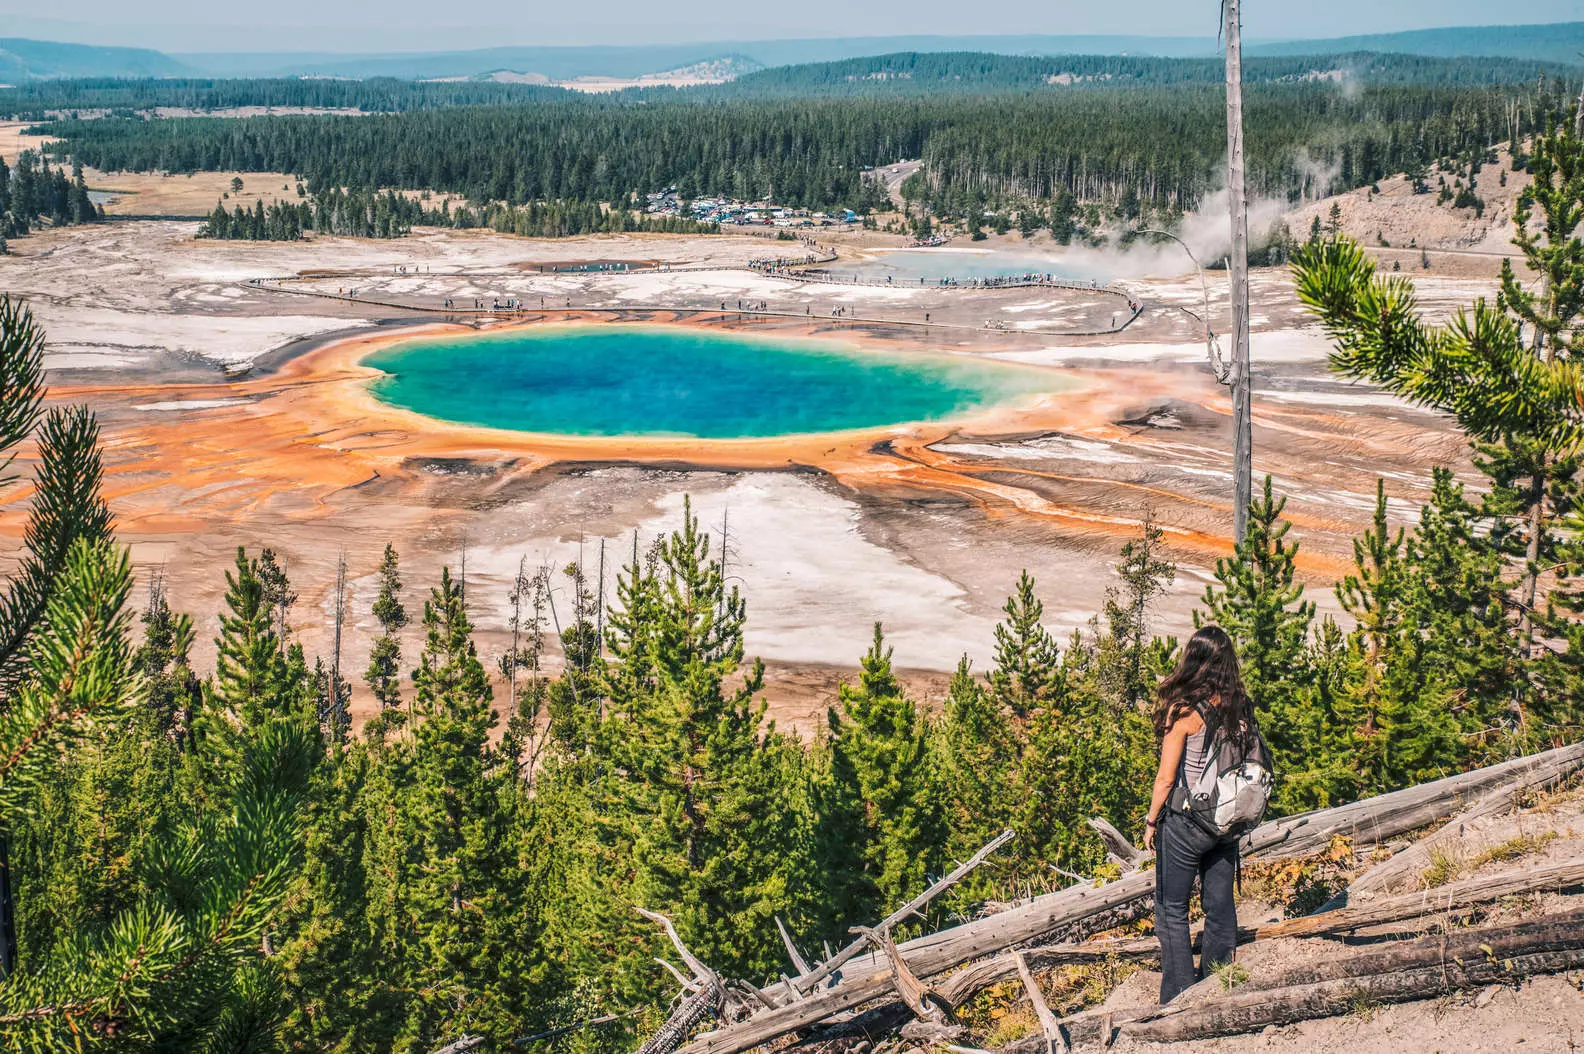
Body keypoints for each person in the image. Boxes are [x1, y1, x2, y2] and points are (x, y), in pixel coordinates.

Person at [1143, 624, 1252, 1004]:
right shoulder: (1240, 705)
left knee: (1171, 909)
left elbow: (1165, 778)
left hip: (1187, 822)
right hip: (1226, 820)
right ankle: (1218, 979)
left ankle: (1179, 993)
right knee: (1219, 903)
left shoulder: (1185, 711)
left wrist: (1152, 820)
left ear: (1194, 660)